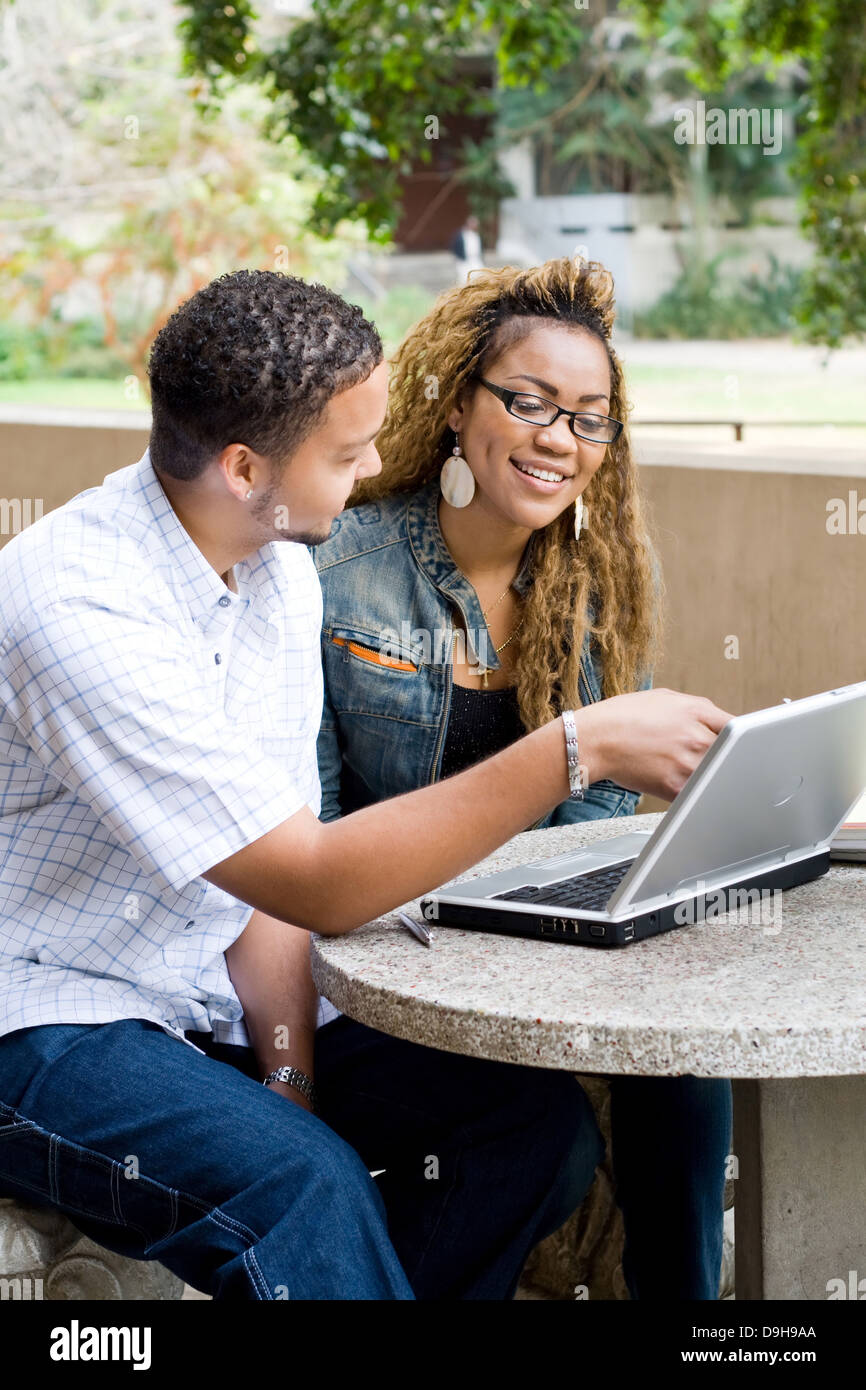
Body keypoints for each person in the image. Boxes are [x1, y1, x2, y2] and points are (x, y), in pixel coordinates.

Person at [0, 269, 730, 1300]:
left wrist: (290, 1071)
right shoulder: (79, 608)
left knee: (526, 1131)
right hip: (45, 1009)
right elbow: (314, 875)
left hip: (196, 986)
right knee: (306, 1184)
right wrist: (573, 747)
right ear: (247, 466)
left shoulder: (270, 567)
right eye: (349, 454)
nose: (381, 465)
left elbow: (261, 871)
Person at [311, 255, 733, 1299]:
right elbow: (305, 827)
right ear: (459, 404)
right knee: (546, 1143)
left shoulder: (598, 586)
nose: (559, 440)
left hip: (519, 937)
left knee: (684, 1067)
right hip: (369, 960)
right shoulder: (337, 567)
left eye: (588, 418)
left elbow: (587, 826)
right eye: (530, 403)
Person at [450, 214, 484, 284]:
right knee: (464, 279)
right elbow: (454, 246)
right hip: (463, 260)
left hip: (475, 259)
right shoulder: (461, 234)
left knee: (478, 276)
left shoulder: (476, 235)